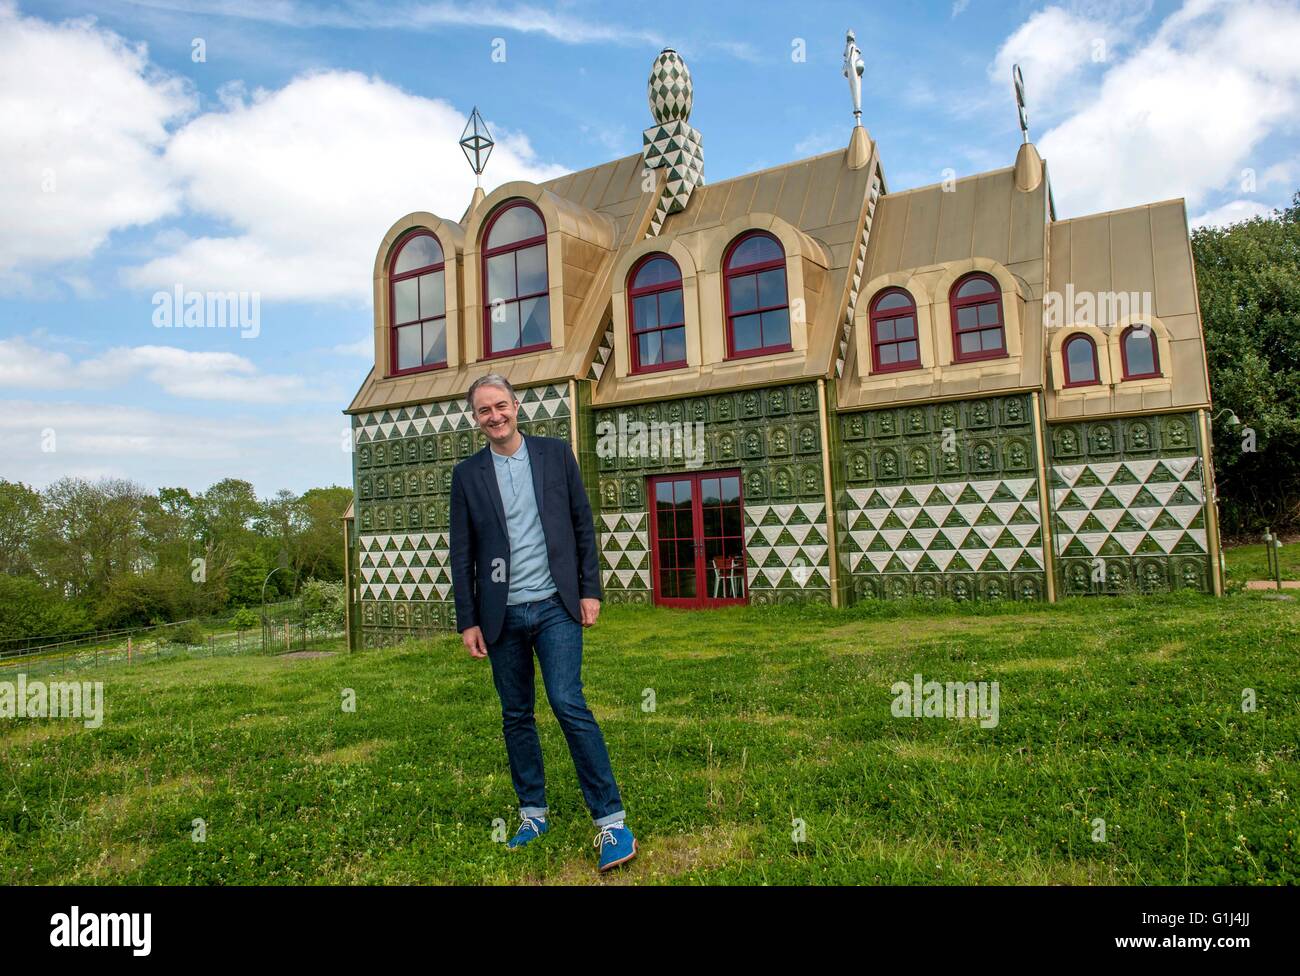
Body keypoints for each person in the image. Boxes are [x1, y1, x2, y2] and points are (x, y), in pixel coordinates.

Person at [449, 372, 637, 872]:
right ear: (477, 419)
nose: (495, 416)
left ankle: (612, 822)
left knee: (567, 700)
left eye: (501, 405)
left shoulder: (555, 456)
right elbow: (462, 551)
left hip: (557, 604)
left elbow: (581, 523)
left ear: (517, 405)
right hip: (500, 614)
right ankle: (533, 813)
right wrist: (467, 620)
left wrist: (590, 590)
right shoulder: (467, 475)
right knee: (516, 714)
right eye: (484, 410)